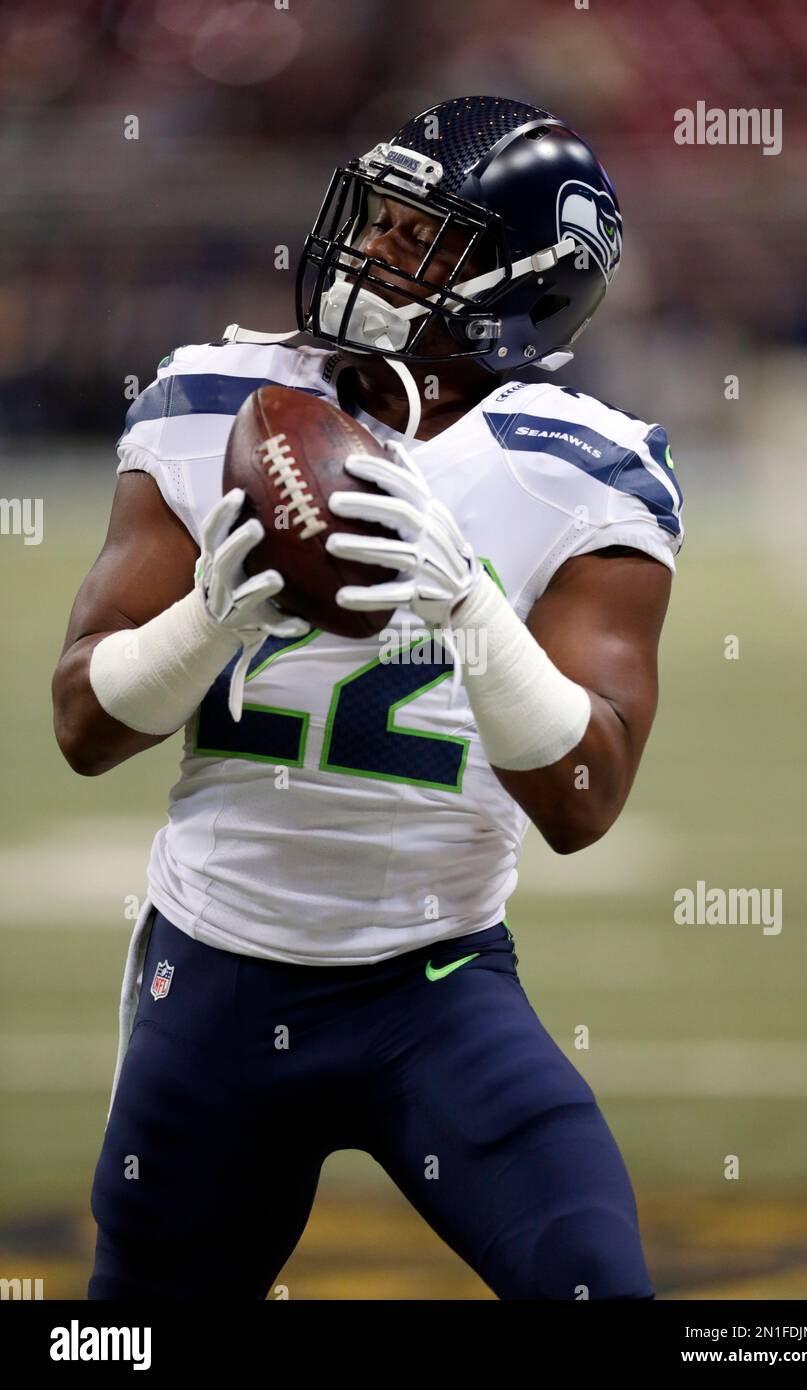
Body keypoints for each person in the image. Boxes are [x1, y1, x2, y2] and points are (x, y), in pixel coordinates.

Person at [52, 95, 682, 1300]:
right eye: (378, 219)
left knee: (596, 1282)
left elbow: (583, 798)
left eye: (416, 237)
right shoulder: (209, 401)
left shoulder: (580, 467)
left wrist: (468, 605)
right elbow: (83, 725)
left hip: (433, 984)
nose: (366, 251)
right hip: (213, 975)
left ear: (522, 281)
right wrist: (210, 617)